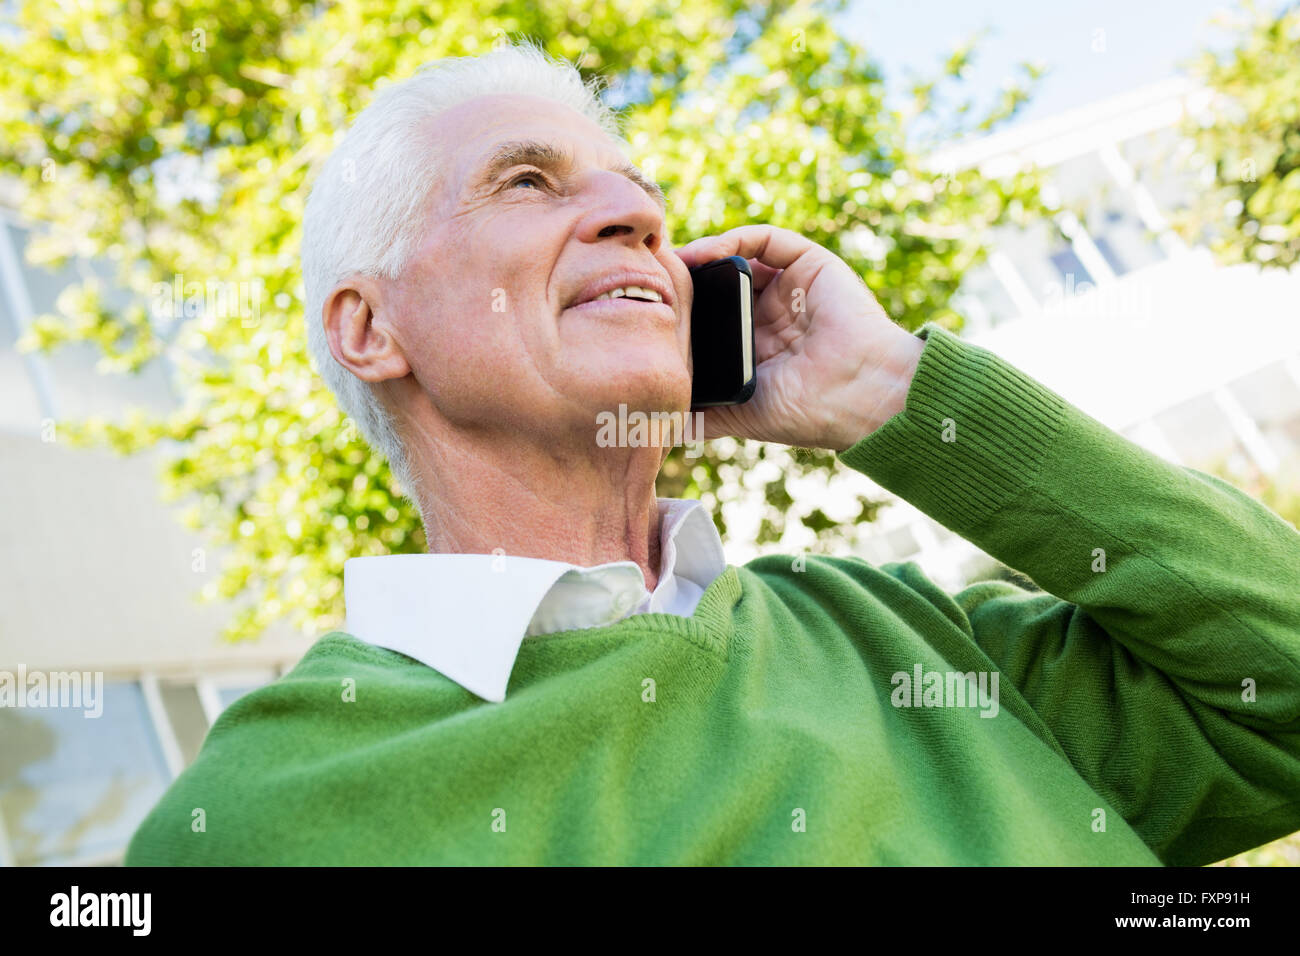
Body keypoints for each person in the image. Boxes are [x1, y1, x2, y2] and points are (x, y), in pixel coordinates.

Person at [126, 40, 1300, 866]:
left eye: (639, 193)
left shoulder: (908, 643)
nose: (637, 218)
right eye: (525, 181)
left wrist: (891, 391)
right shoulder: (262, 812)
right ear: (369, 327)